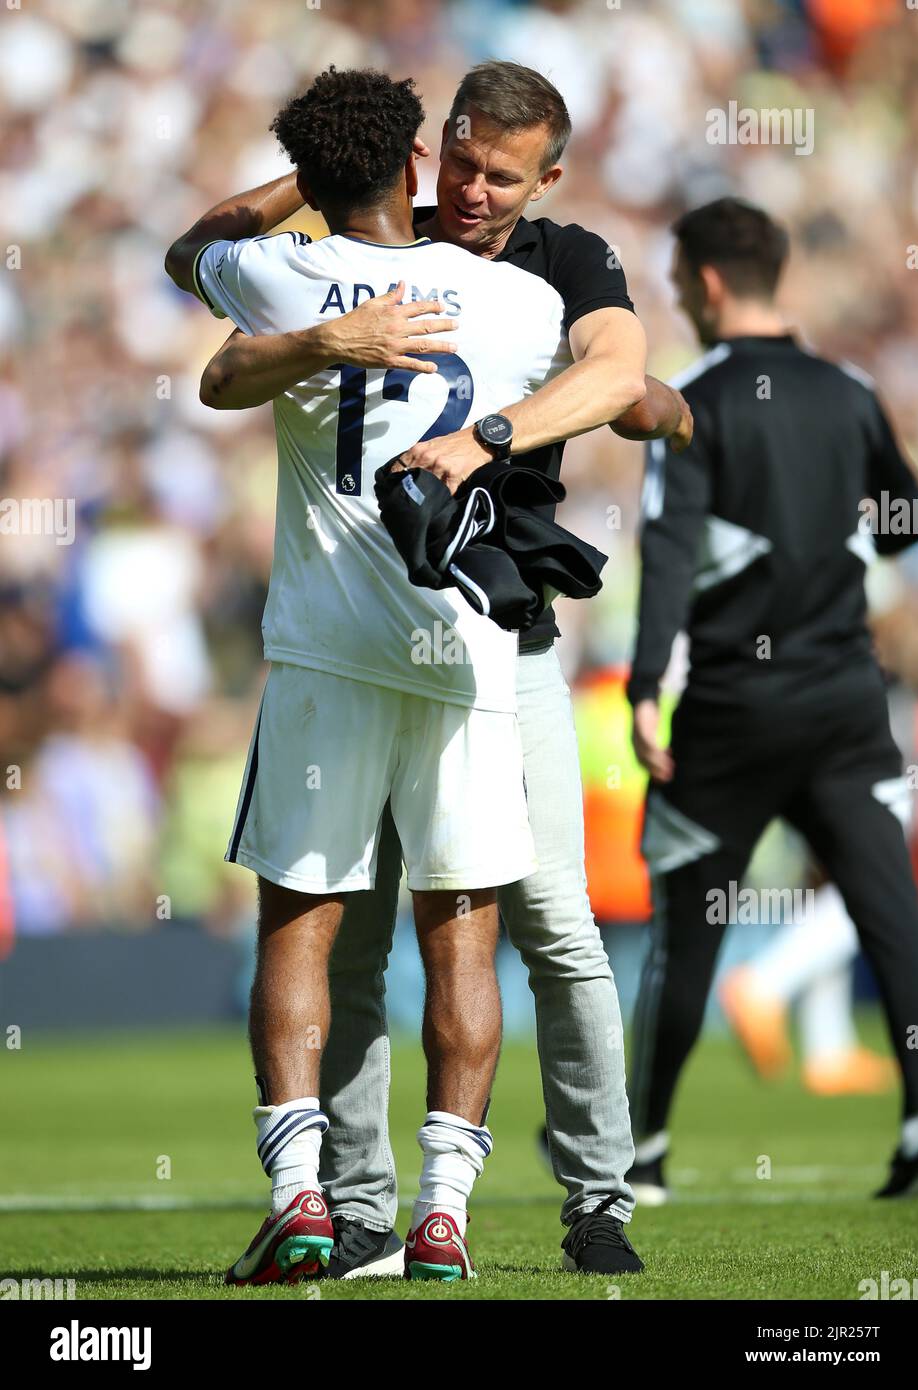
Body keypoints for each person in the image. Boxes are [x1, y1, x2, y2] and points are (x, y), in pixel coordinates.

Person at [198, 59, 692, 1278]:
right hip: (444, 652)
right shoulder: (457, 273)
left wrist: (490, 435)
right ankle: (378, 1208)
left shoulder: (560, 262)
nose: (472, 190)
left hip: (490, 639)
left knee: (550, 924)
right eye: (457, 161)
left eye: (500, 175)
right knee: (382, 932)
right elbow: (636, 394)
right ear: (431, 153)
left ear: (549, 178)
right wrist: (335, 182)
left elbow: (629, 381)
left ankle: (595, 1194)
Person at [625, 196, 918, 1204]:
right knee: (892, 911)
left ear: (707, 284)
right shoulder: (848, 391)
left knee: (686, 928)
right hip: (845, 701)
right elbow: (904, 521)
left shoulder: (690, 399)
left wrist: (644, 685)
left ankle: (646, 1148)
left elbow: (667, 551)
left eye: (678, 285)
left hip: (730, 708)